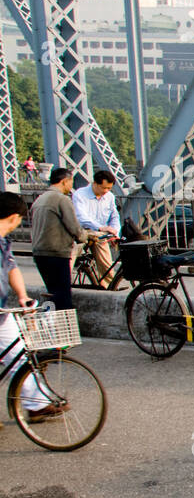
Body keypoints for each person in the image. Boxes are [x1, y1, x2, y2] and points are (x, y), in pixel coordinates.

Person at [0, 191, 64, 426]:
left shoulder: (3, 241)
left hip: (2, 313)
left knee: (19, 356)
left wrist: (23, 296)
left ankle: (36, 405)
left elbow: (11, 268)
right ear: (15, 217)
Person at [30, 168, 88, 311]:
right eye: (71, 183)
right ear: (64, 181)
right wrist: (86, 237)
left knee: (53, 294)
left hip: (39, 253)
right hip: (56, 253)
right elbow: (75, 229)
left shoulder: (39, 199)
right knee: (63, 298)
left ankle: (53, 326)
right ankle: (67, 329)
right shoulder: (62, 200)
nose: (71, 187)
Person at [71, 170, 120, 288]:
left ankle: (109, 286)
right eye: (104, 188)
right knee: (70, 254)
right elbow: (81, 217)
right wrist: (100, 227)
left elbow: (114, 216)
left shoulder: (109, 197)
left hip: (99, 233)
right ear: (95, 184)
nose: (106, 191)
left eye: (109, 188)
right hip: (82, 231)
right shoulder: (80, 194)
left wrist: (115, 231)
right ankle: (63, 283)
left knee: (106, 262)